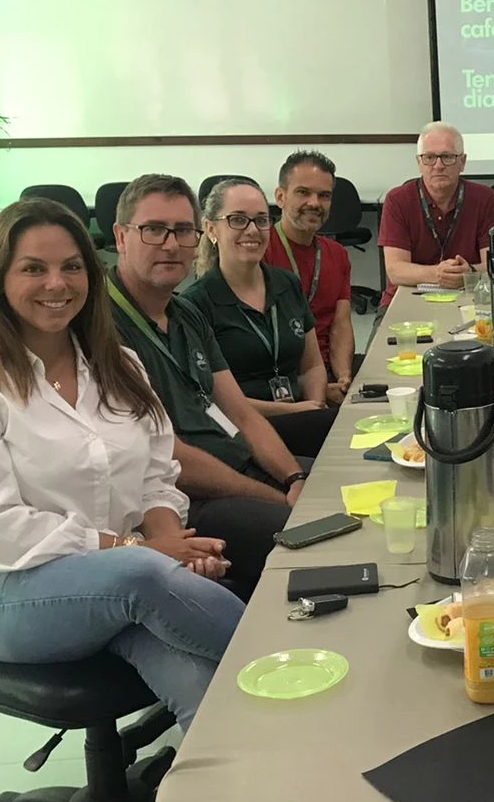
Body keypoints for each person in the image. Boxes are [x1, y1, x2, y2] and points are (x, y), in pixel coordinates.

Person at [0, 199, 243, 731]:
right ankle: (294, 656)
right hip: (3, 593)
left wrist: (169, 541)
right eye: (33, 269)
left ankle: (235, 779)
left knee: (211, 692)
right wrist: (143, 552)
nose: (56, 283)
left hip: (121, 588)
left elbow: (156, 478)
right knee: (142, 578)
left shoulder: (120, 367)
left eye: (71, 267)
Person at [109, 173, 313, 598]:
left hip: (241, 468)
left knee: (346, 492)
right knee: (311, 535)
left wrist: (293, 477)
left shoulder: (186, 314)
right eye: (154, 230)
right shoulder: (103, 329)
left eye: (182, 231)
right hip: (187, 500)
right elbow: (168, 455)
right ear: (121, 237)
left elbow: (240, 414)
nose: (171, 244)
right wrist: (276, 497)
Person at [184, 177, 337, 459]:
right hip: (244, 430)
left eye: (261, 220)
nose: (252, 230)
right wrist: (295, 412)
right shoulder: (195, 304)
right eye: (238, 220)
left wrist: (314, 406)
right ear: (211, 229)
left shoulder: (286, 284)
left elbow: (312, 365)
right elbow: (211, 401)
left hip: (303, 417)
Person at [264, 150, 355, 405]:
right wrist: (314, 389)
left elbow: (340, 324)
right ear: (280, 197)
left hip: (328, 373)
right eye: (303, 192)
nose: (314, 203)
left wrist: (344, 377)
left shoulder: (337, 254)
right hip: (282, 382)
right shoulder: (261, 251)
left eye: (324, 195)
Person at [378, 122, 494, 307]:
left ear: (462, 162)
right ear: (419, 163)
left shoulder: (484, 198)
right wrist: (439, 274)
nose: (438, 165)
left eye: (447, 157)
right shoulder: (397, 200)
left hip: (468, 297)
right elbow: (396, 271)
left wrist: (470, 273)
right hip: (408, 297)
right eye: (429, 157)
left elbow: (493, 265)